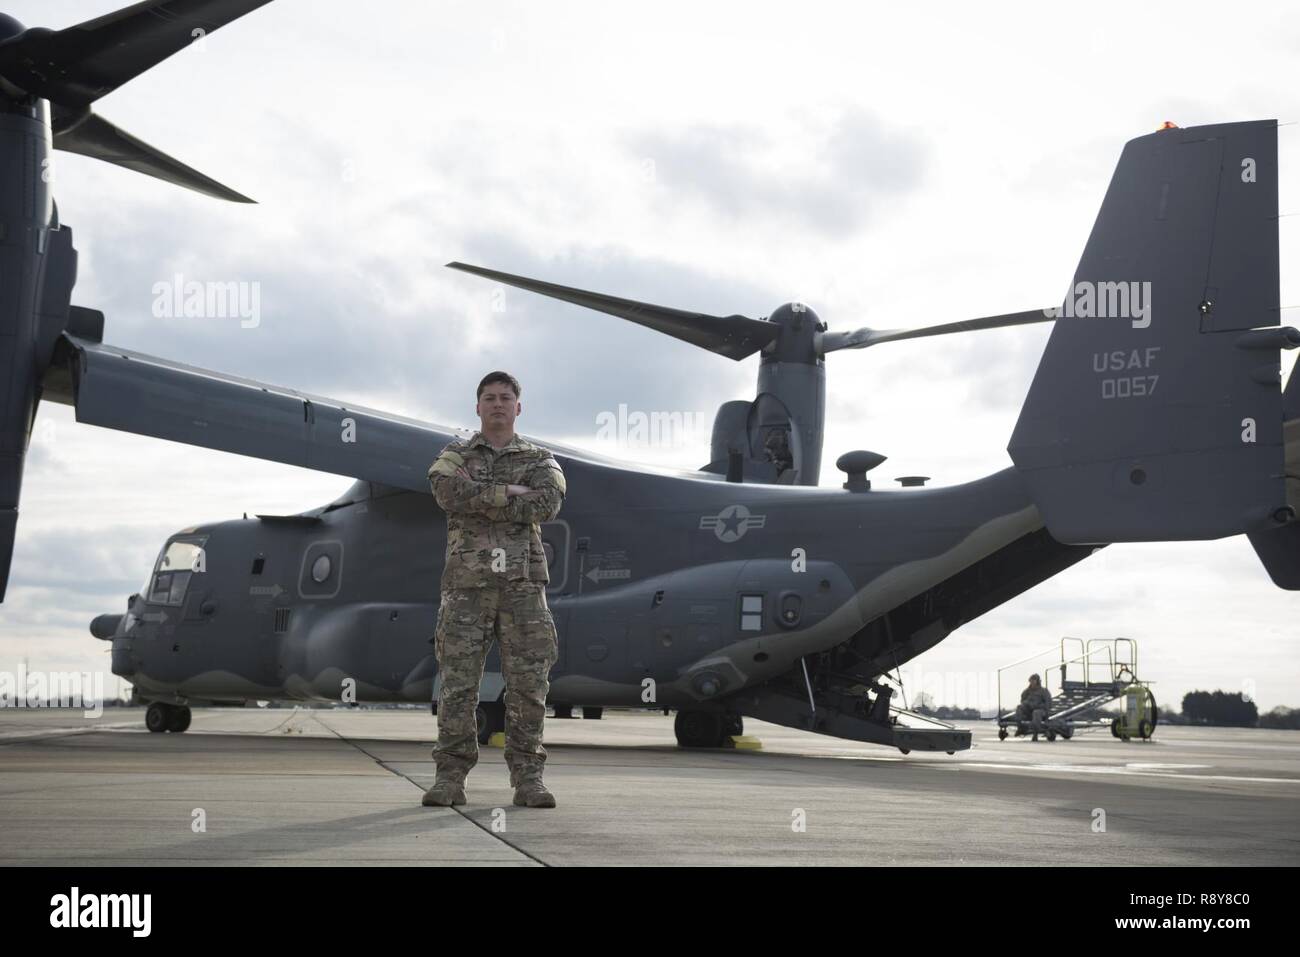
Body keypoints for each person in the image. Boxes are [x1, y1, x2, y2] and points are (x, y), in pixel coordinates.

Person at [422, 371, 566, 809]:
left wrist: (480, 493)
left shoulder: (540, 457)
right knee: (458, 685)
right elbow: (445, 491)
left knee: (529, 686)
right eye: (489, 398)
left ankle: (529, 780)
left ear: (518, 407)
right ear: (477, 406)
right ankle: (449, 779)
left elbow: (548, 501)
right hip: (467, 586)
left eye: (506, 398)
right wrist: (510, 493)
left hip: (522, 587)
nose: (498, 404)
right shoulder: (455, 452)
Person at [1017, 673, 1052, 741]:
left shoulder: (1044, 691)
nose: (1032, 682)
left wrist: (1039, 707)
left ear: (1038, 681)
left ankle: (1035, 734)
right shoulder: (1026, 691)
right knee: (1019, 707)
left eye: (1034, 680)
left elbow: (1048, 703)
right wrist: (1026, 704)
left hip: (1040, 711)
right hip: (1029, 710)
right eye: (1031, 681)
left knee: (1036, 713)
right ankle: (1020, 728)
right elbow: (1022, 700)